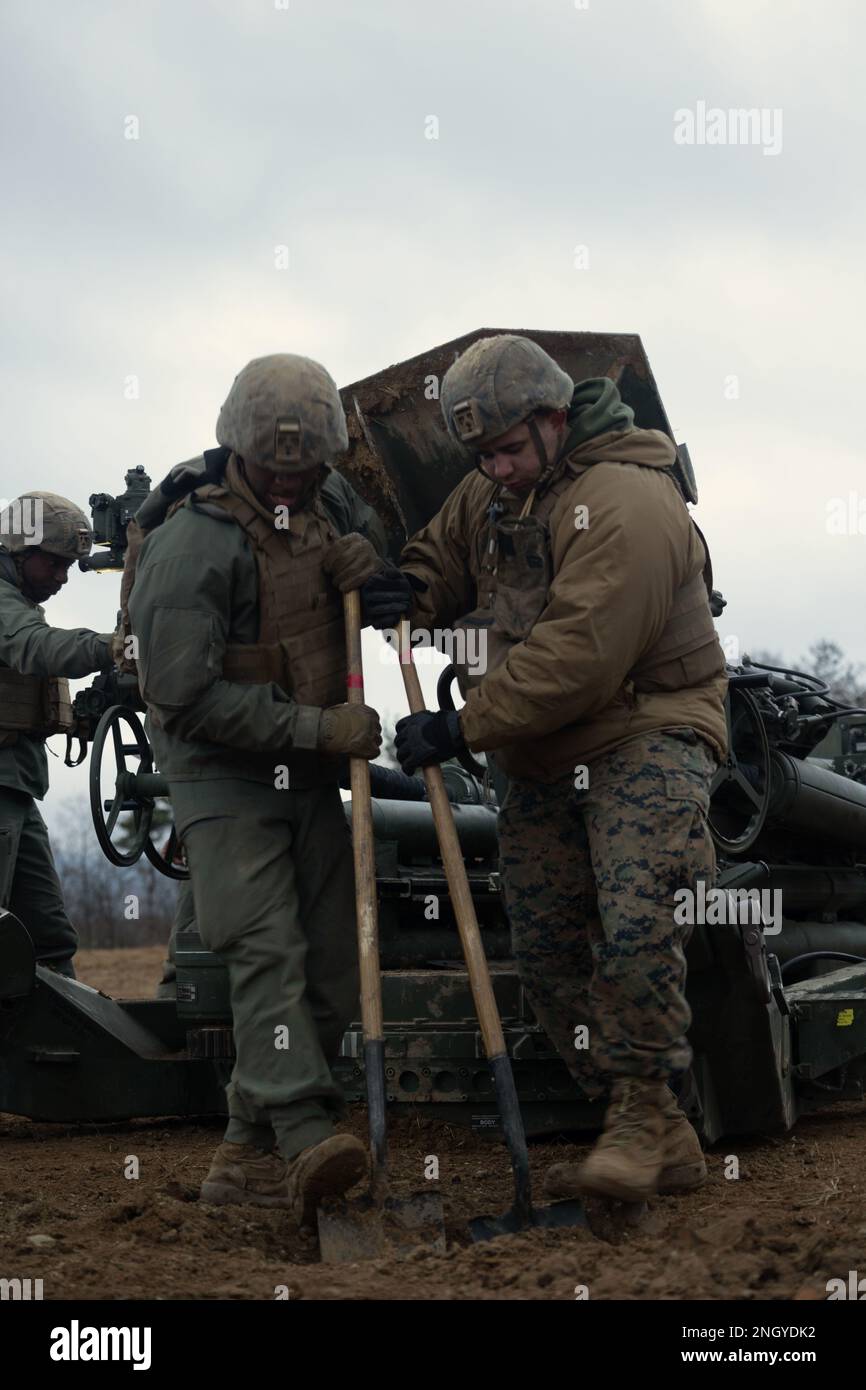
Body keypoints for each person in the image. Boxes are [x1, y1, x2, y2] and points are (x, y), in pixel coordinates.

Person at [360, 333, 728, 1203]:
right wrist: (406, 589)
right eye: (483, 454)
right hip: (541, 749)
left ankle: (640, 1117)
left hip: (644, 728)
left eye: (511, 449)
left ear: (557, 419)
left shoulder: (629, 500)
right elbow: (447, 553)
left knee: (640, 921)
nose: (498, 468)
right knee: (547, 949)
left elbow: (581, 655)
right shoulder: (494, 485)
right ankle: (655, 1130)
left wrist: (460, 727)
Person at [128, 354, 388, 1226]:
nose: (289, 478)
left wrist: (368, 563)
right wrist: (318, 730)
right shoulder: (191, 546)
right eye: (274, 463)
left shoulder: (331, 502)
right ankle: (307, 1130)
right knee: (263, 948)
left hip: (303, 772)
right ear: (236, 446)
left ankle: (242, 1155)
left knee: (330, 957)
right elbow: (182, 696)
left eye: (304, 465)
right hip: (220, 773)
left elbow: (372, 564)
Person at [0, 493, 115, 977]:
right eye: (55, 564)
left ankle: (61, 1046)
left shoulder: (20, 602)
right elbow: (35, 648)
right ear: (20, 550)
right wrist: (115, 647)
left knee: (47, 938)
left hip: (16, 789)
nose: (63, 578)